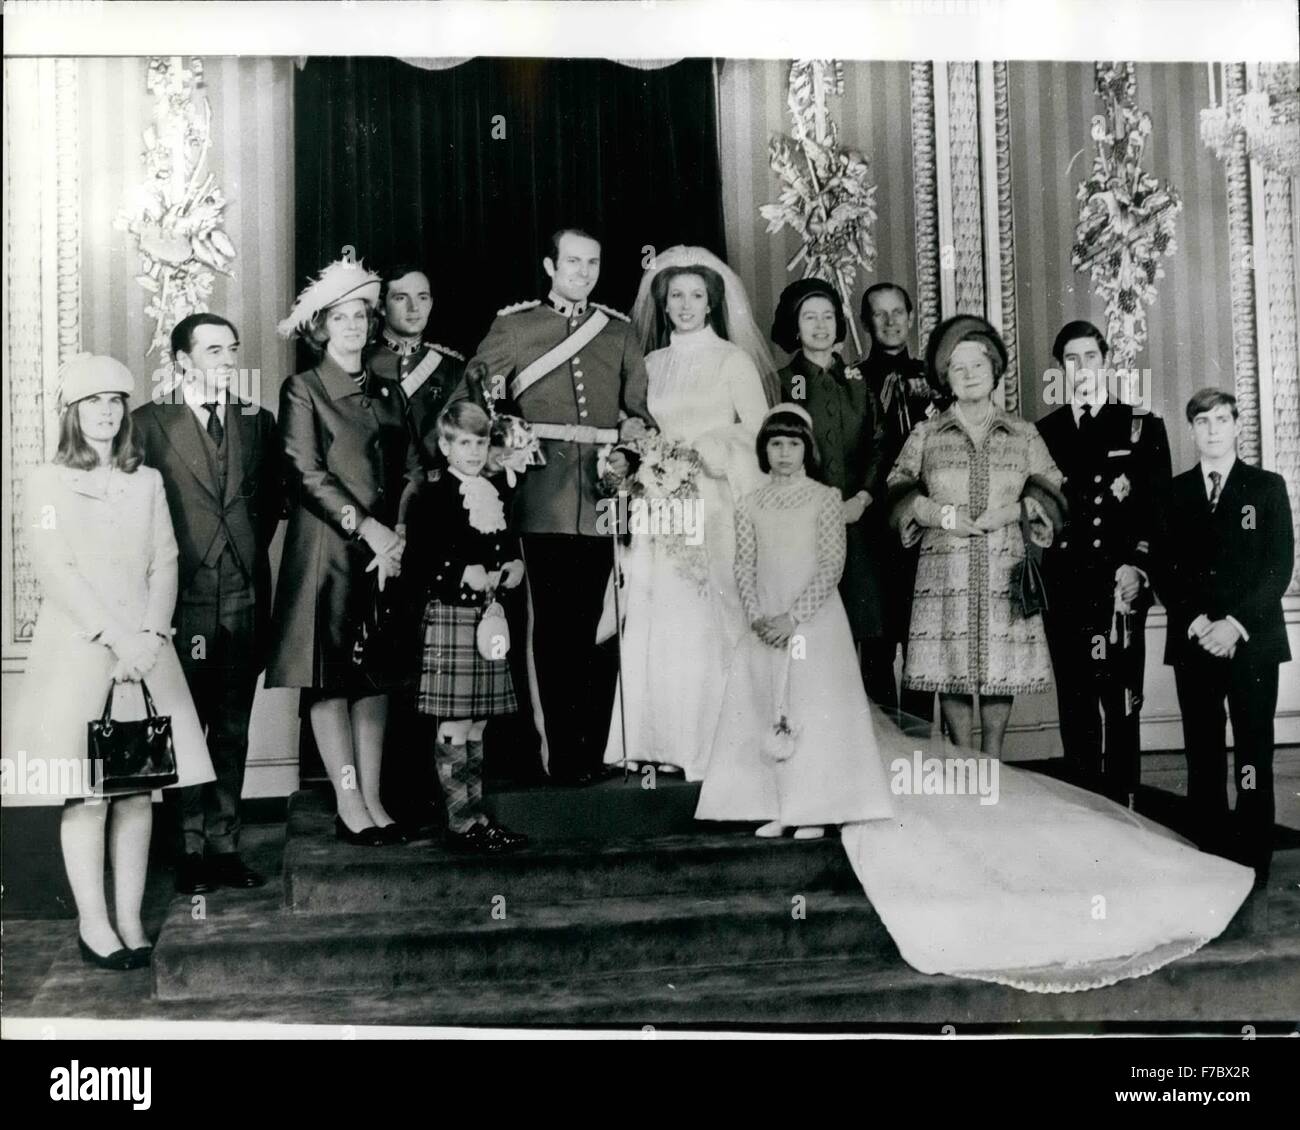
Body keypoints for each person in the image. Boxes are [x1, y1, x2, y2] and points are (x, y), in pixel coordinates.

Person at [12, 354, 214, 969]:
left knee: (136, 791)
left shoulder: (145, 481)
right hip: (79, 653)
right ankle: (94, 924)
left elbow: (166, 561)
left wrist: (150, 633)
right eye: (92, 403)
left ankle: (130, 919)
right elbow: (54, 566)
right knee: (87, 794)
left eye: (115, 402)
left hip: (145, 654)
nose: (106, 412)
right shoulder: (45, 481)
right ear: (72, 414)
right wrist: (116, 637)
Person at [450, 227, 655, 786]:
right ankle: (558, 755)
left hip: (600, 500)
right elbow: (467, 402)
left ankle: (589, 750)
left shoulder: (619, 331)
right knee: (549, 634)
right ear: (549, 264)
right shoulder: (515, 326)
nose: (583, 272)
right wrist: (500, 440)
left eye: (592, 262)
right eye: (572, 261)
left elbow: (637, 415)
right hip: (537, 499)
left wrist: (628, 458)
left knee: (592, 631)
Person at [602, 246, 776, 779]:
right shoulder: (651, 363)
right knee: (658, 609)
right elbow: (634, 426)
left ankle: (711, 743)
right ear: (663, 301)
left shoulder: (731, 359)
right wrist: (643, 458)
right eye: (675, 295)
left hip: (714, 502)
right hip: (660, 503)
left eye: (696, 296)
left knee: (707, 613)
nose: (685, 305)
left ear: (712, 302)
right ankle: (655, 740)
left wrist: (707, 449)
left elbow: (760, 432)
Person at [267, 259, 423, 844]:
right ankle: (349, 803)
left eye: (361, 315)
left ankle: (374, 801)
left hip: (385, 556)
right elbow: (306, 473)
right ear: (322, 326)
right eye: (342, 316)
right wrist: (372, 531)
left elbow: (413, 470)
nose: (354, 325)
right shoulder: (303, 389)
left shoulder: (388, 390)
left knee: (375, 680)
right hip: (328, 554)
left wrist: (399, 532)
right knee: (332, 681)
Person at [133, 313, 281, 894]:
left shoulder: (257, 422)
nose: (226, 360)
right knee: (183, 724)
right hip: (182, 595)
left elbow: (268, 503)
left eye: (232, 350)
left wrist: (239, 555)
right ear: (182, 362)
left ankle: (225, 845)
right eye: (212, 351)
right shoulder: (148, 423)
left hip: (243, 591)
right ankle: (188, 848)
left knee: (231, 725)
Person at [696, 404, 894, 836]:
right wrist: (757, 616)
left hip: (813, 620)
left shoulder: (825, 498)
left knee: (813, 707)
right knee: (768, 705)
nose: (784, 453)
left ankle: (817, 809)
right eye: (775, 444)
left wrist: (792, 618)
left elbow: (831, 566)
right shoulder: (750, 503)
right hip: (765, 621)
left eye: (793, 443)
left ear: (807, 449)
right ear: (764, 450)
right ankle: (778, 805)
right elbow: (743, 564)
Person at [886, 315, 1066, 757]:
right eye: (957, 368)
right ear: (945, 376)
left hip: (1004, 562)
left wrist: (1014, 509)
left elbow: (1053, 487)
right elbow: (897, 488)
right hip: (945, 566)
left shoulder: (1023, 433)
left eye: (977, 366)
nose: (968, 376)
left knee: (998, 666)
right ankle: (964, 760)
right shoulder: (926, 433)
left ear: (995, 372)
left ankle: (995, 761)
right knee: (951, 664)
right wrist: (940, 514)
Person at [1153, 388, 1294, 887]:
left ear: (1237, 426)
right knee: (1203, 747)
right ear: (1191, 431)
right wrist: (1197, 623)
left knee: (1254, 745)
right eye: (1202, 422)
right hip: (1195, 641)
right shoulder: (1174, 493)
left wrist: (1233, 624)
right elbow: (1164, 569)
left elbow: (1278, 568)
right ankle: (1209, 847)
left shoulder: (1267, 487)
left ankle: (1254, 851)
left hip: (1252, 641)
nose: (1212, 430)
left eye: (1220, 420)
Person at [1036, 320, 1171, 802]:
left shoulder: (1139, 424)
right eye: (1071, 360)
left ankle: (1124, 805)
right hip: (1067, 588)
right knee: (1075, 703)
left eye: (1090, 357)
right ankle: (1084, 808)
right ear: (1060, 369)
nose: (1082, 368)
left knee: (1120, 703)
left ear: (1106, 361)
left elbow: (1159, 513)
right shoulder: (1044, 432)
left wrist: (1139, 567)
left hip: (1121, 587)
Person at [402, 402, 529, 852]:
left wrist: (512, 564)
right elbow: (418, 560)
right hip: (453, 616)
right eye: (465, 443)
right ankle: (459, 823)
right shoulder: (432, 495)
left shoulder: (492, 493)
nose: (475, 452)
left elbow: (501, 544)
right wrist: (458, 573)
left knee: (477, 725)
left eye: (481, 442)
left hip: (488, 618)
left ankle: (476, 816)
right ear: (445, 445)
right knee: (456, 723)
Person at [772, 278, 892, 706]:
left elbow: (880, 447)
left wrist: (861, 499)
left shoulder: (860, 384)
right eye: (810, 317)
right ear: (795, 325)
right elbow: (775, 452)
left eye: (828, 316)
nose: (820, 326)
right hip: (803, 529)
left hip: (860, 526)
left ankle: (880, 743)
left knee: (870, 632)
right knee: (813, 632)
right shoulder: (782, 383)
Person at [859, 282, 942, 724]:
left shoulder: (935, 378)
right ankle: (884, 752)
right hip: (872, 534)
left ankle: (918, 753)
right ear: (866, 322)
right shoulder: (853, 379)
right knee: (875, 646)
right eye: (880, 314)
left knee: (922, 646)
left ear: (911, 317)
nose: (891, 322)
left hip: (925, 530)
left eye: (898, 312)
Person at [368, 263, 466, 470]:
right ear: (381, 307)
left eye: (422, 297)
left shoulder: (452, 368)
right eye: (401, 298)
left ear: (431, 303)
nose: (414, 308)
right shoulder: (361, 363)